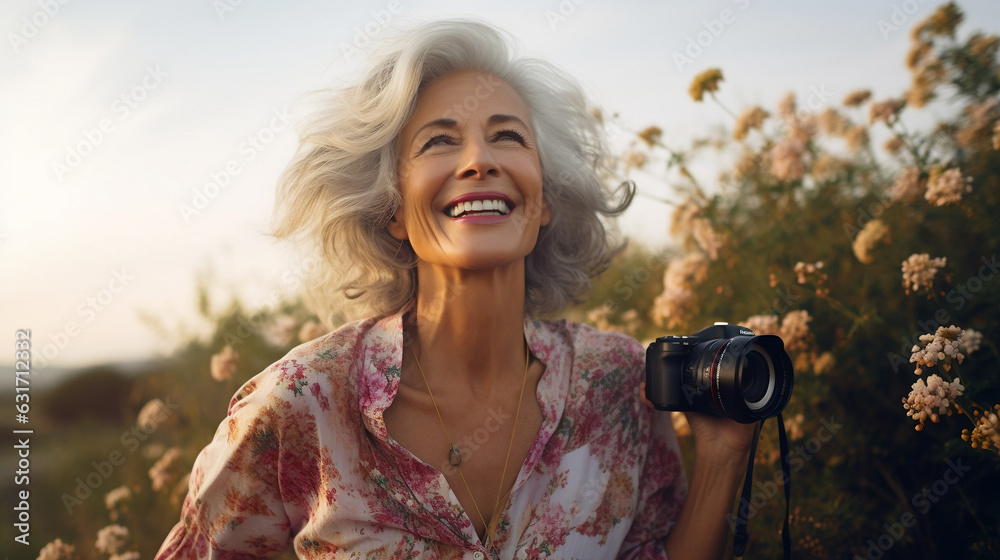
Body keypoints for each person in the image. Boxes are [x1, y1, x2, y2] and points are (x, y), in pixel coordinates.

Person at [155, 19, 755, 560]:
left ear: (545, 199)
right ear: (392, 208)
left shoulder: (621, 383)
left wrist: (723, 457)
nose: (478, 161)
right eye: (439, 141)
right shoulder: (299, 404)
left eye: (508, 137)